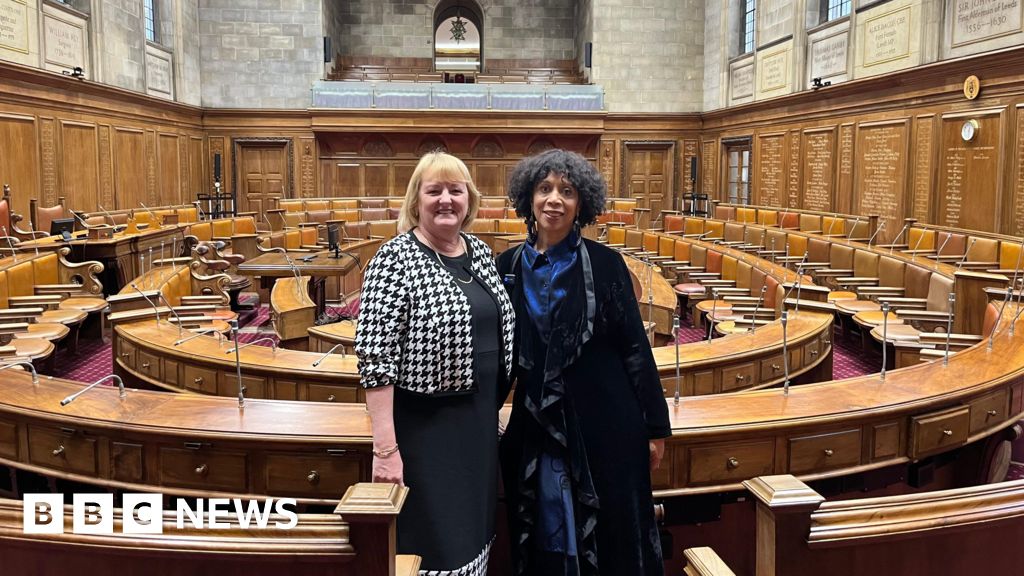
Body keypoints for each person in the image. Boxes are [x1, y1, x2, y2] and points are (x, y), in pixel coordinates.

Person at [496, 149, 671, 576]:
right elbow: (499, 355)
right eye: (544, 189)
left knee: (611, 533)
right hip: (537, 423)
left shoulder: (607, 265)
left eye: (567, 191)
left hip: (606, 422)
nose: (554, 199)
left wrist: (655, 426)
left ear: (581, 204)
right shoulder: (506, 266)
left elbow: (634, 348)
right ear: (529, 199)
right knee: (542, 521)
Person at [356, 151, 515, 575]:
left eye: (455, 190)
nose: (446, 199)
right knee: (437, 544)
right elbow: (376, 357)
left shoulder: (479, 252)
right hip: (426, 432)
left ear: (469, 199)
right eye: (434, 190)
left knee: (473, 534)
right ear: (416, 201)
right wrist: (386, 450)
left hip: (478, 425)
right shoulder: (394, 259)